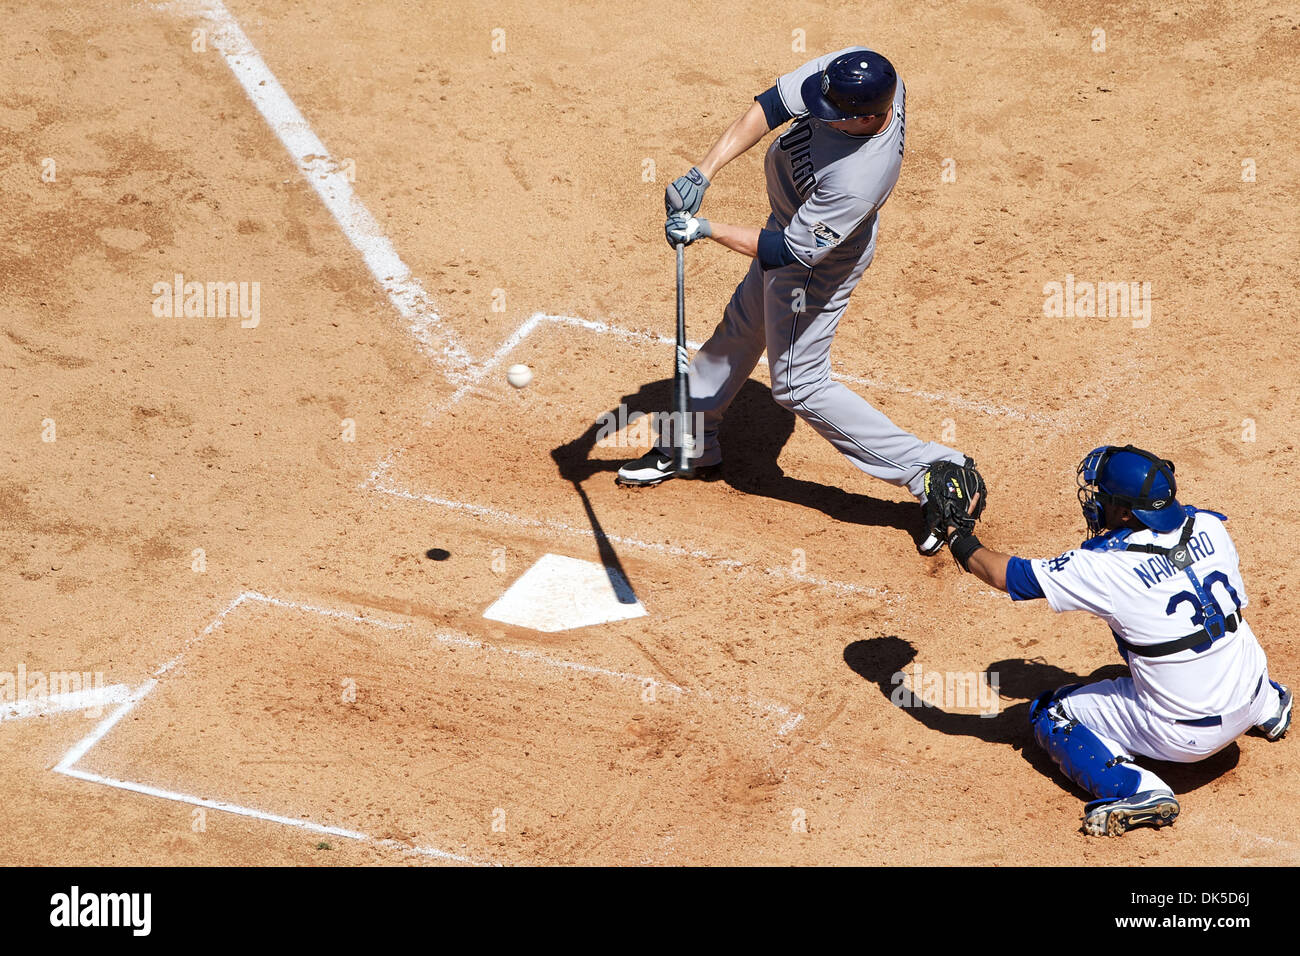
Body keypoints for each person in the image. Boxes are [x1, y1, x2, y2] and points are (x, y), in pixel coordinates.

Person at [616, 46, 980, 555]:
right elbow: (770, 105)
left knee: (799, 387)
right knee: (741, 328)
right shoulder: (859, 74)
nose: (821, 113)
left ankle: (935, 470)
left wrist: (705, 228)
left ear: (872, 117)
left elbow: (787, 251)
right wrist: (704, 171)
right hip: (790, 226)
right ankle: (690, 441)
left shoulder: (861, 178)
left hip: (811, 267)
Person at [938, 443, 1291, 835]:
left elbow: (1008, 576)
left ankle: (1138, 789)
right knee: (1211, 628)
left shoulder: (1105, 568)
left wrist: (957, 536)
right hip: (1255, 691)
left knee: (1052, 713)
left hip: (1186, 738)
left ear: (1126, 512)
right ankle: (1270, 708)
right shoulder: (1211, 525)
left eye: (1103, 497)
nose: (1096, 503)